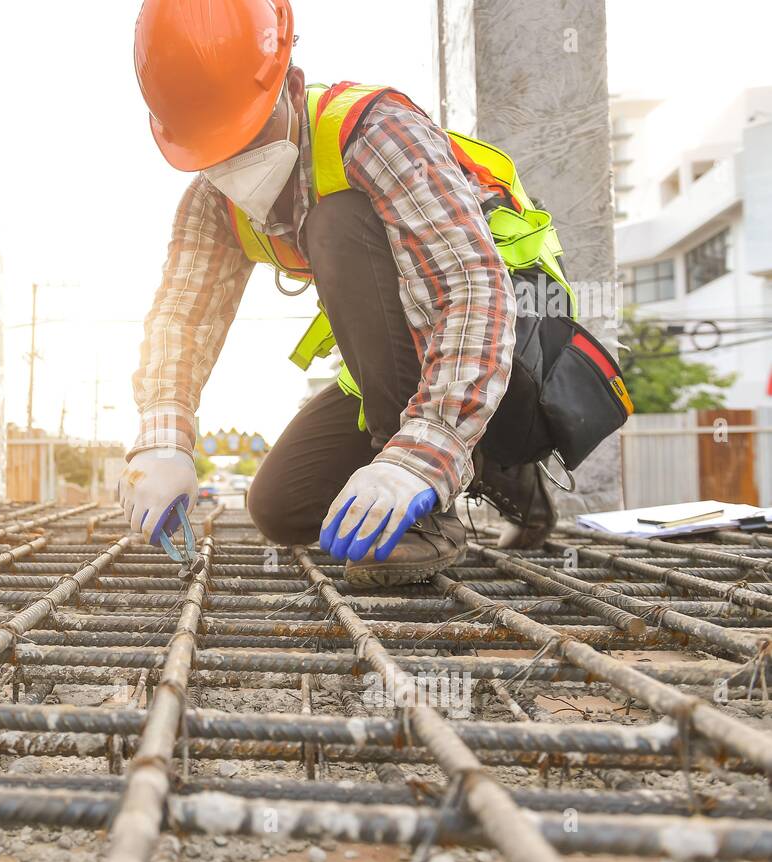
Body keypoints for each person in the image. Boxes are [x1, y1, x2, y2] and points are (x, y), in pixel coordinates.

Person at [119, 0, 569, 586]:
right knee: (280, 508)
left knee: (336, 223)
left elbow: (473, 288)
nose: (232, 163)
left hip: (514, 350)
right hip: (406, 367)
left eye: (243, 134)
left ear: (290, 86)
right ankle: (504, 475)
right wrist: (163, 438)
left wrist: (417, 458)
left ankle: (431, 506)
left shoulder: (375, 132)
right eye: (211, 148)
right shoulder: (213, 201)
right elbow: (180, 319)